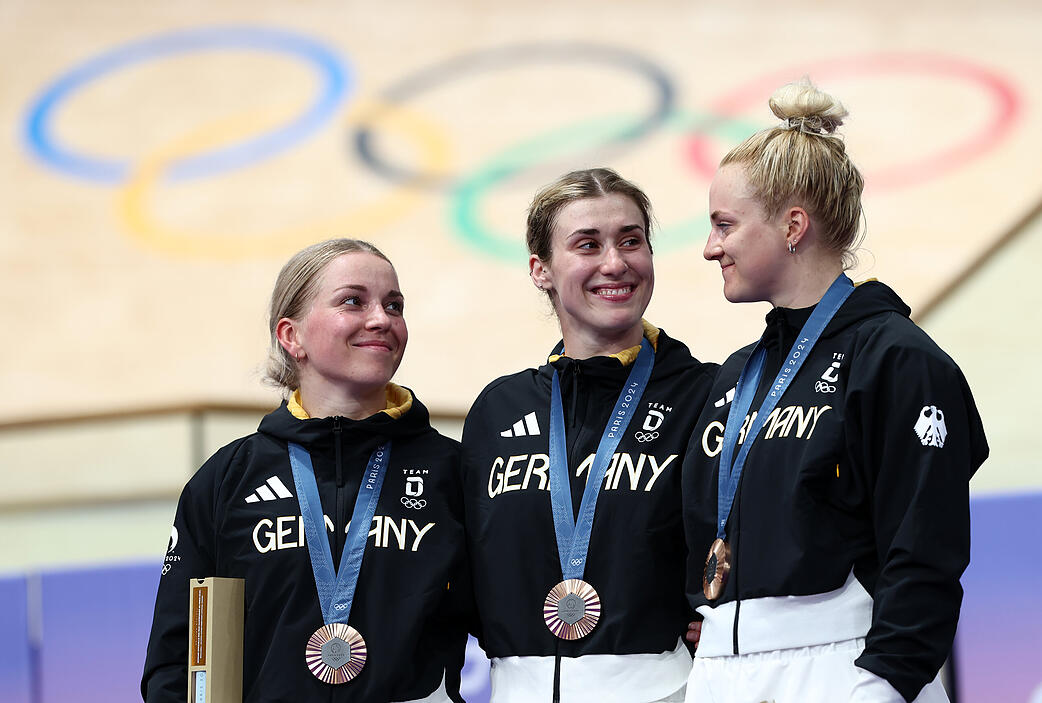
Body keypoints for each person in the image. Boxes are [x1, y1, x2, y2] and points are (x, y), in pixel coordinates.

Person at [682, 78, 989, 703]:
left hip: (845, 668)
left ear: (793, 225)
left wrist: (885, 684)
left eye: (724, 224)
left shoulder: (897, 359)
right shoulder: (735, 376)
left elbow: (924, 545)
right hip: (720, 670)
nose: (711, 247)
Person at [142, 239, 470, 703]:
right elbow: (176, 660)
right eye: (353, 301)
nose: (381, 319)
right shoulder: (227, 479)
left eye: (394, 306)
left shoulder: (452, 470)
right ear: (291, 336)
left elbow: (510, 631)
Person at [462, 168, 718, 703]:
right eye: (588, 244)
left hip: (664, 688)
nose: (615, 263)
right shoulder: (497, 410)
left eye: (632, 241)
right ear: (541, 270)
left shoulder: (706, 394)